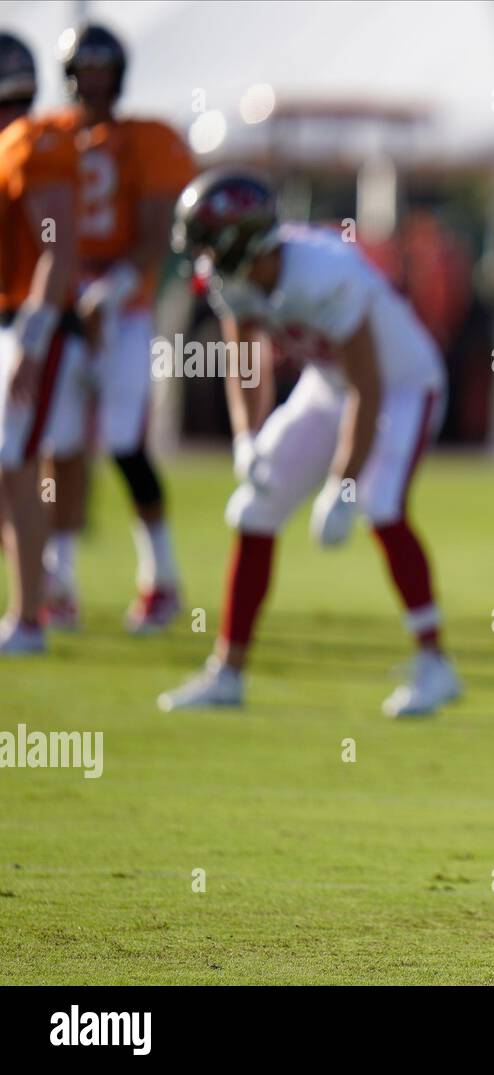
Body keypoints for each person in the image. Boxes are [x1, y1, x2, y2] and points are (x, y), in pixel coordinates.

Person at [157, 170, 460, 718]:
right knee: (254, 507)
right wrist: (248, 438)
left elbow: (369, 387)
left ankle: (435, 663)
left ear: (237, 239)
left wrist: (343, 486)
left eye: (206, 241)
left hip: (403, 386)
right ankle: (227, 672)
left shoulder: (323, 273)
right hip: (331, 383)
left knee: (381, 505)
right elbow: (245, 361)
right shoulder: (238, 277)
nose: (201, 257)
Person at [43, 22, 193, 633]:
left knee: (127, 443)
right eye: (88, 71)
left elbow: (157, 234)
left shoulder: (146, 140)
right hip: (59, 307)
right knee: (60, 447)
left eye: (105, 71)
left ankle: (161, 576)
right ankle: (60, 580)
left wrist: (109, 292)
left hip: (123, 311)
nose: (96, 84)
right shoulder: (45, 138)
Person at [0, 32, 83, 655]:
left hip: (28, 326)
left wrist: (33, 334)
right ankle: (34, 598)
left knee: (17, 466)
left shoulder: (33, 143)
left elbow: (58, 246)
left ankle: (30, 618)